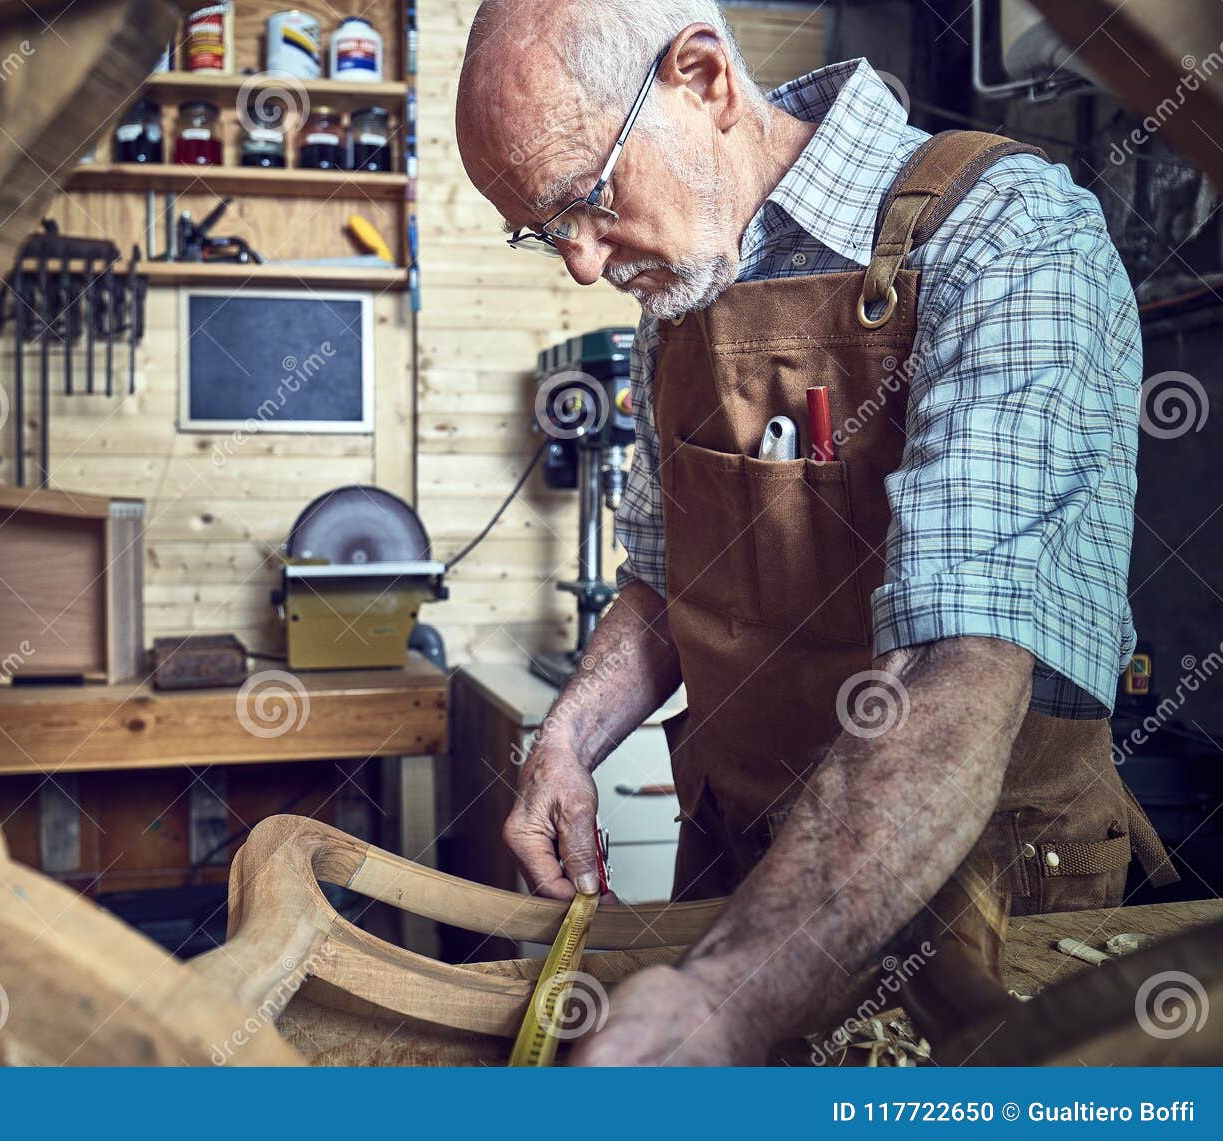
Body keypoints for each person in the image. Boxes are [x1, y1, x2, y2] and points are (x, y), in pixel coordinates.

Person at [455, 0, 1174, 1065]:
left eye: (588, 201)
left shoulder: (1004, 235)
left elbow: (955, 659)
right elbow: (664, 582)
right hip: (735, 879)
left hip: (975, 905)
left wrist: (727, 997)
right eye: (544, 228)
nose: (578, 261)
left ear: (700, 77)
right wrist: (564, 739)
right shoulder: (683, 291)